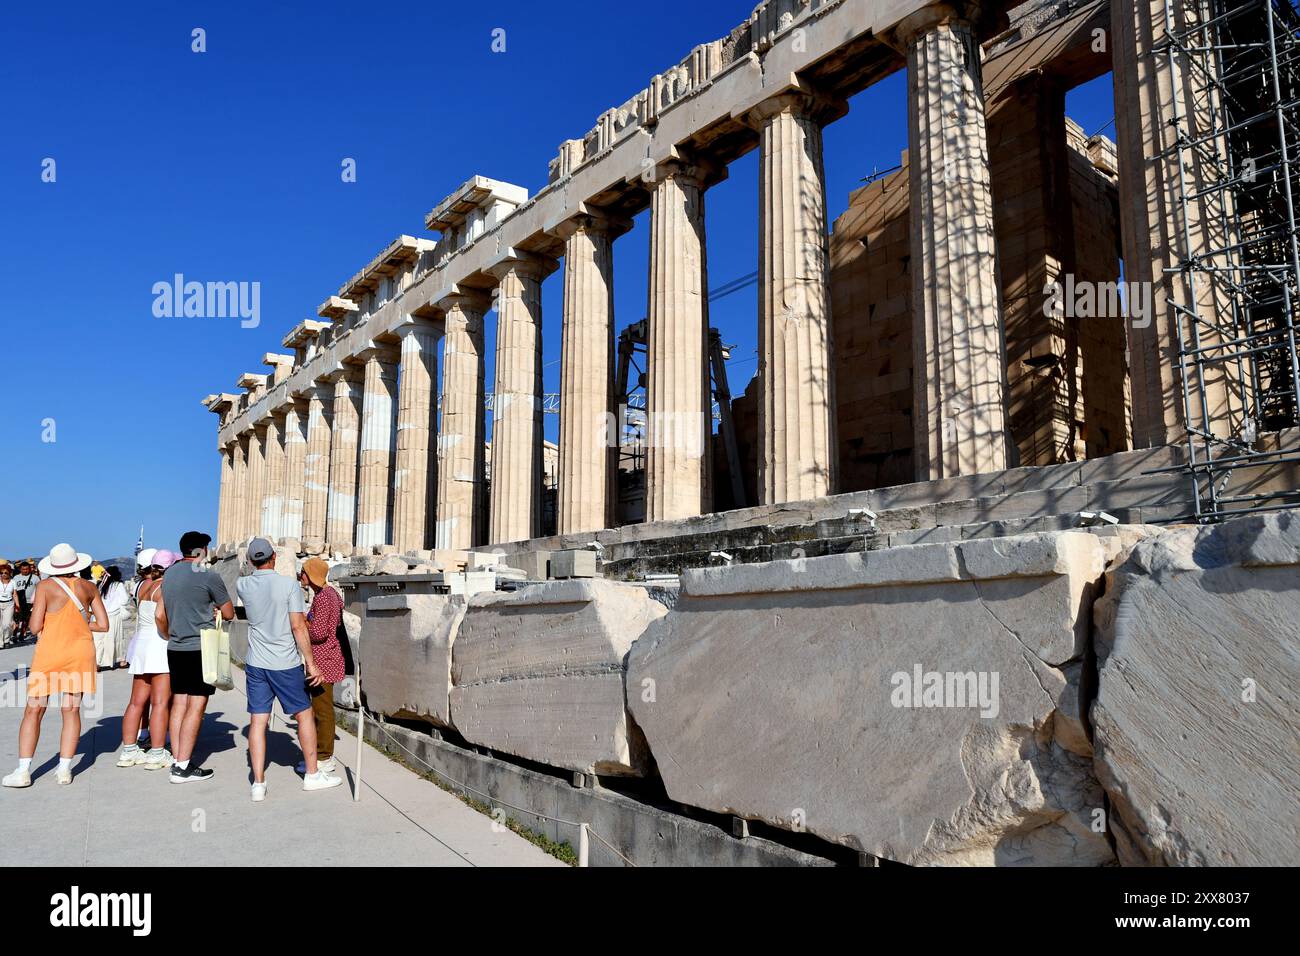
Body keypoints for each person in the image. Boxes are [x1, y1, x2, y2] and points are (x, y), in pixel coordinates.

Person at [237, 538, 341, 801]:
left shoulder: (243, 585)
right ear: (274, 557)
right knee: (304, 715)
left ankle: (258, 783)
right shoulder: (288, 585)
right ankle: (313, 775)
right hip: (284, 661)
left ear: (250, 561)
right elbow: (298, 627)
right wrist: (312, 663)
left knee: (258, 722)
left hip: (256, 661)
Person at [2, 544, 108, 788]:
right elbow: (103, 625)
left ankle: (23, 771)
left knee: (34, 710)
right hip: (80, 652)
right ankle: (64, 770)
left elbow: (35, 626)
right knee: (70, 710)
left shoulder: (45, 586)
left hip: (51, 653)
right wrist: (80, 624)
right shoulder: (89, 587)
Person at [157, 531, 233, 784]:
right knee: (197, 705)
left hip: (176, 646)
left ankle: (178, 758)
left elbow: (161, 613)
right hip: (201, 646)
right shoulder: (209, 575)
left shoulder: (169, 574)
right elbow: (229, 613)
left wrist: (170, 633)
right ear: (201, 550)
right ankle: (182, 767)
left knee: (179, 702)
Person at [118, 550, 177, 770]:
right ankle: (157, 752)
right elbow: (160, 616)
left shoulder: (142, 585)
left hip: (140, 644)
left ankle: (129, 749)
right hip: (158, 643)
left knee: (136, 701)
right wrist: (169, 634)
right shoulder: (165, 587)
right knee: (160, 702)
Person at [298, 557, 344, 774]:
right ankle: (318, 754)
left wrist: (302, 623)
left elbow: (318, 633)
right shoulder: (329, 594)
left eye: (304, 572)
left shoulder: (324, 597)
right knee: (319, 708)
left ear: (312, 574)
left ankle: (324, 757)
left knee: (322, 710)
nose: (301, 576)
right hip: (326, 656)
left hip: (323, 660)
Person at [96, 566, 130, 671]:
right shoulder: (118, 585)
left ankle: (97, 662)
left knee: (100, 640)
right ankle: (120, 661)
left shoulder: (100, 585)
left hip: (100, 615)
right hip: (114, 616)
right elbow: (124, 600)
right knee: (116, 639)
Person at [12, 561, 37, 642]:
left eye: (27, 569)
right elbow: (13, 590)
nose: (25, 571)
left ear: (29, 569)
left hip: (30, 601)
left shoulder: (35, 578)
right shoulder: (16, 578)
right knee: (17, 619)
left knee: (26, 620)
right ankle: (14, 635)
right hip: (18, 601)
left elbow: (39, 589)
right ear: (20, 569)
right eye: (23, 569)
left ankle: (22, 635)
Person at [0, 563, 15, 649]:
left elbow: (15, 594)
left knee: (7, 624)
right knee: (0, 624)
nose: (3, 574)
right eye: (1, 573)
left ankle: (7, 639)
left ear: (9, 573)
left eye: (5, 573)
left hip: (9, 604)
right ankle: (1, 643)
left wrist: (17, 605)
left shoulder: (13, 582)